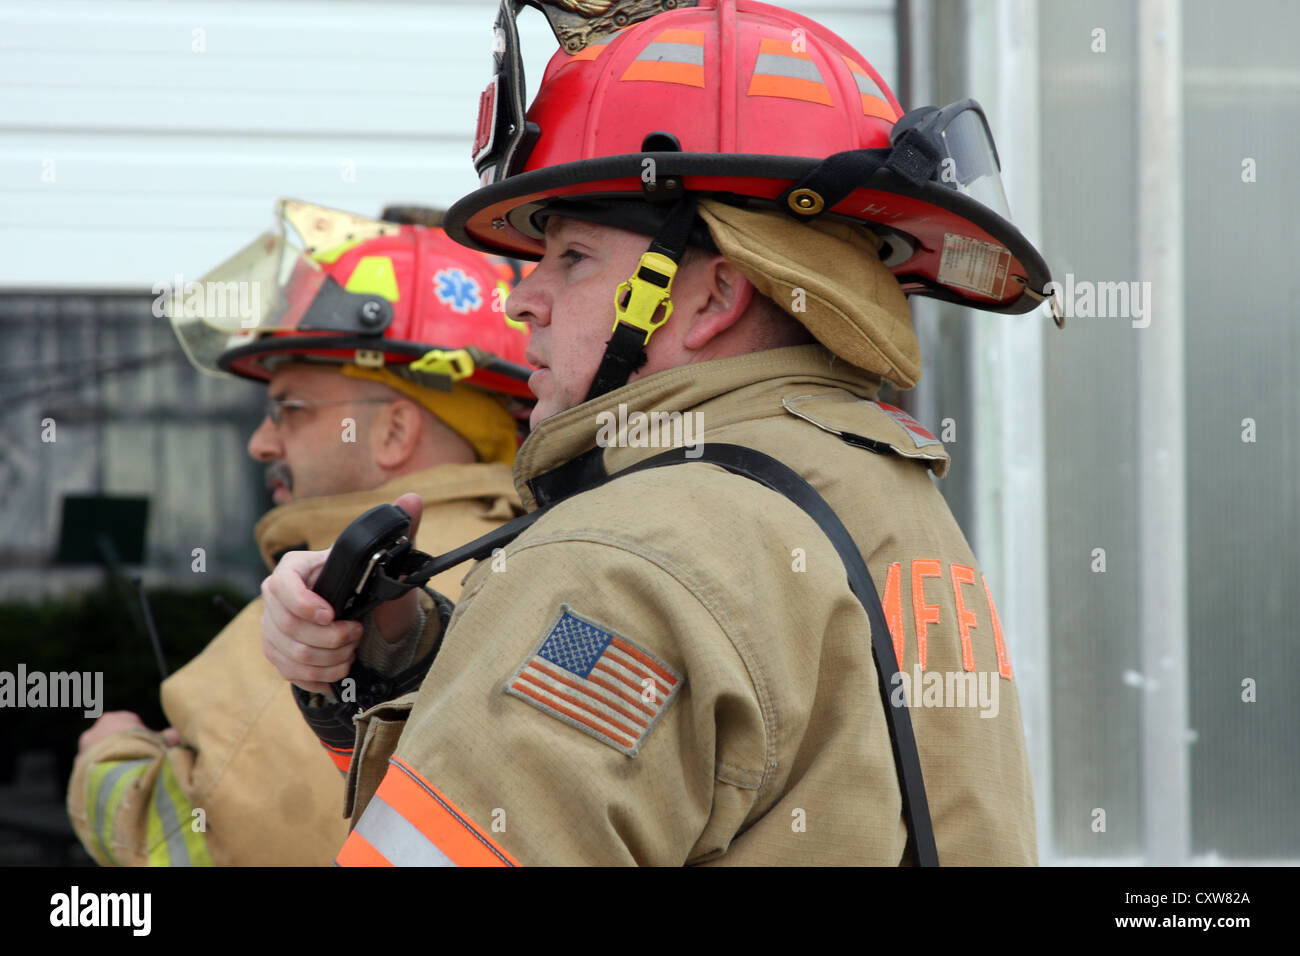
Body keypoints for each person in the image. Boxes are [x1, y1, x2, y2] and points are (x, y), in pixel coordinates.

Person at [261, 0, 1054, 866]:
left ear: (711, 296)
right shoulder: (888, 496)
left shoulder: (620, 561)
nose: (521, 298)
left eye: (572, 258)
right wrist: (397, 657)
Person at [66, 199, 532, 866]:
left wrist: (111, 758)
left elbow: (208, 844)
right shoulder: (535, 560)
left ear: (394, 430)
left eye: (288, 409)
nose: (259, 443)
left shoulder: (331, 606)